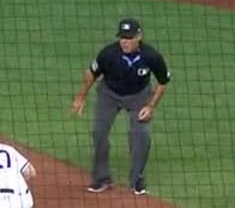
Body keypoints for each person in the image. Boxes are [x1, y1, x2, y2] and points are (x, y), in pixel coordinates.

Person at [71, 18, 171, 195]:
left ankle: (137, 178)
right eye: (122, 37)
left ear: (139, 36)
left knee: (141, 134)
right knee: (99, 132)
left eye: (129, 37)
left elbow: (163, 82)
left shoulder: (151, 56)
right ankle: (102, 179)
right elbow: (91, 73)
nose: (125, 41)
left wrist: (150, 106)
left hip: (139, 95)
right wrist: (80, 97)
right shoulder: (109, 53)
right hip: (109, 94)